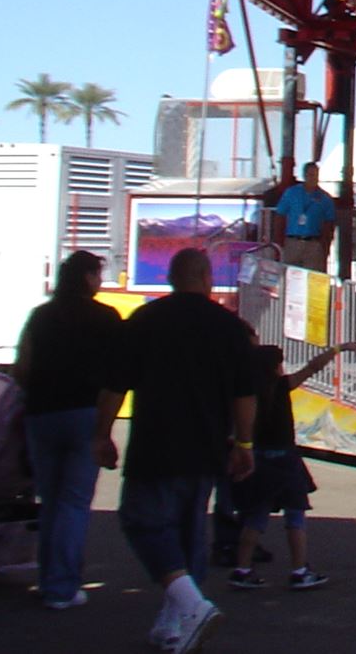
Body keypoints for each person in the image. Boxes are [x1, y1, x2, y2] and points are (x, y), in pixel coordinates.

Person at [96, 247, 257, 654]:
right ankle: (173, 625)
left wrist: (102, 434)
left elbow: (116, 385)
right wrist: (244, 443)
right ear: (205, 279)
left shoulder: (146, 321)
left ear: (171, 279)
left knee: (142, 522)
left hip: (156, 443)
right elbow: (245, 394)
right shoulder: (231, 328)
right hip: (207, 448)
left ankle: (190, 606)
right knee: (188, 533)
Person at [13, 249, 121, 610]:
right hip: (86, 414)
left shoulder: (41, 316)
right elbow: (118, 376)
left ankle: (49, 580)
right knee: (74, 502)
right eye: (98, 274)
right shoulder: (107, 318)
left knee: (51, 500)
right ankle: (62, 586)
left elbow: (22, 368)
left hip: (41, 414)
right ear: (88, 278)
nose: (100, 281)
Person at [228, 339, 356, 592]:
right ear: (275, 367)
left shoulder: (249, 395)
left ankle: (242, 569)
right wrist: (337, 349)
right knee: (295, 514)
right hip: (285, 459)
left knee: (255, 516)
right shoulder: (282, 386)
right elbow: (312, 367)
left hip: (260, 458)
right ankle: (299, 570)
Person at [273, 161, 337, 272]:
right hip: (292, 242)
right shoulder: (291, 193)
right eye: (311, 175)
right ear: (305, 176)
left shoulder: (325, 198)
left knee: (312, 278)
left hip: (314, 244)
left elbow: (329, 224)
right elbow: (280, 216)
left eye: (316, 175)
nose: (314, 178)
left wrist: (324, 247)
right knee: (290, 276)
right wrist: (279, 242)